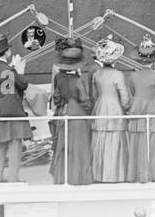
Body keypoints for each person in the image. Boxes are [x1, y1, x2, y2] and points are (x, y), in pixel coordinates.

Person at [0, 35, 31, 181]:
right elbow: (22, 84)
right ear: (7, 52)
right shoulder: (9, 70)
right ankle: (13, 178)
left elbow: (4, 82)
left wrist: (12, 68)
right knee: (14, 147)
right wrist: (19, 70)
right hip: (12, 111)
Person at [87, 39, 130, 182]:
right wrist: (127, 108)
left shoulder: (96, 74)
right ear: (114, 60)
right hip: (115, 108)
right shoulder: (118, 74)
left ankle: (99, 174)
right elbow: (124, 96)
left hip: (100, 107)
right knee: (115, 140)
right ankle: (116, 174)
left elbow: (93, 95)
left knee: (100, 141)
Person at [125, 38, 155, 183]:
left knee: (138, 143)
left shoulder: (133, 76)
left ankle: (138, 174)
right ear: (153, 59)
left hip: (137, 110)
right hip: (154, 110)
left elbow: (132, 91)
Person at [50, 40, 93, 185]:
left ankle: (63, 176)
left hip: (64, 112)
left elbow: (56, 97)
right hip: (77, 114)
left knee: (64, 144)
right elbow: (85, 100)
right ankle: (78, 177)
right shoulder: (79, 80)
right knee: (78, 145)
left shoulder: (58, 78)